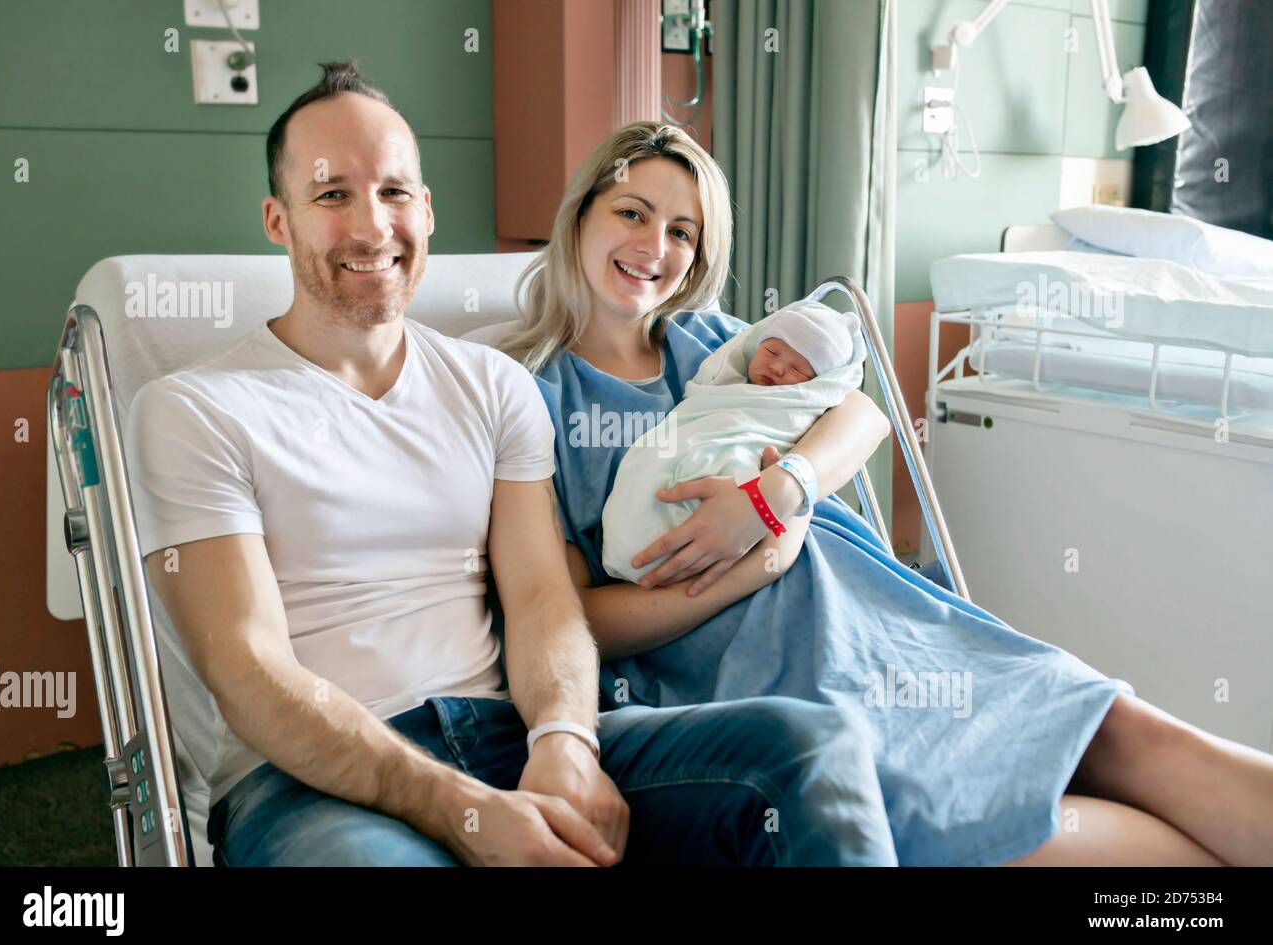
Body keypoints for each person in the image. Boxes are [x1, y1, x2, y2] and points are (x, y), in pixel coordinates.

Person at [124, 61, 900, 866]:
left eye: (393, 192)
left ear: (425, 210)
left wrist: (565, 738)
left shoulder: (494, 385)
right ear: (278, 220)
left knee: (812, 746)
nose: (369, 226)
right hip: (311, 782)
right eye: (330, 194)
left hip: (507, 736)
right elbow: (245, 668)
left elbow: (540, 598)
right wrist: (462, 809)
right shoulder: (196, 409)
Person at [499, 120, 1273, 866]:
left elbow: (862, 413)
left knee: (1113, 725)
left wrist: (778, 493)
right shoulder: (531, 396)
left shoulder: (720, 344)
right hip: (754, 668)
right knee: (996, 822)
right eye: (632, 212)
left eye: (681, 231)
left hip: (875, 607)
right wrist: (754, 562)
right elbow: (570, 618)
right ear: (580, 218)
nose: (653, 246)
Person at [600, 299, 865, 584]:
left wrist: (780, 491)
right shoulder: (726, 370)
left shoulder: (795, 405)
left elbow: (868, 417)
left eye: (799, 370)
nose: (777, 367)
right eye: (772, 351)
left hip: (780, 514)